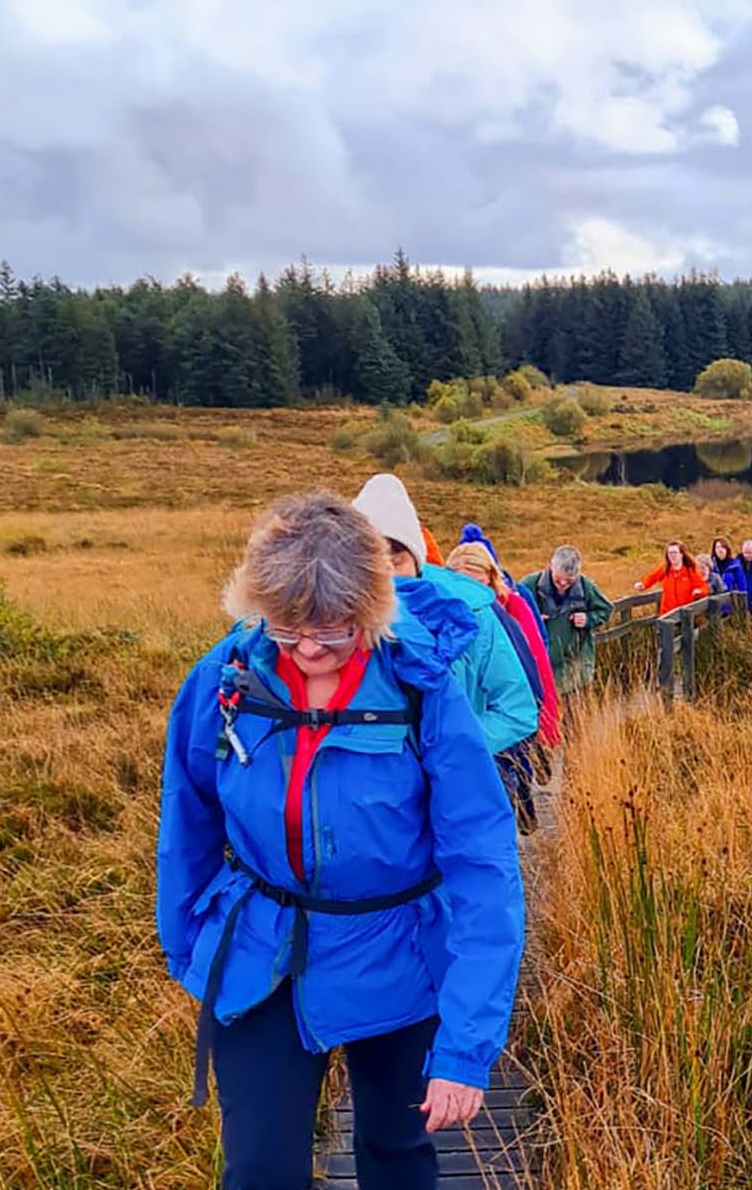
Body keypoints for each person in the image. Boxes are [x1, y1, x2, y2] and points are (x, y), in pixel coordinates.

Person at [157, 492, 523, 1190]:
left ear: (373, 611)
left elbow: (483, 865)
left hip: (403, 953)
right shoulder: (223, 680)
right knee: (260, 1169)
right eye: (288, 628)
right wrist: (190, 952)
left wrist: (466, 1049)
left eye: (333, 631)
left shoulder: (422, 688)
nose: (309, 651)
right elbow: (187, 821)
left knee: (396, 1154)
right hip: (265, 951)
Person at [353, 479, 537, 761]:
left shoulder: (469, 613)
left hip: (445, 789)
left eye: (395, 560)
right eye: (369, 562)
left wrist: (454, 748)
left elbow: (517, 709)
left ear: (416, 561)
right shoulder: (321, 628)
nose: (384, 577)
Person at [445, 542, 554, 830]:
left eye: (474, 580)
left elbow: (535, 664)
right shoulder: (441, 620)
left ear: (490, 578)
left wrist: (547, 718)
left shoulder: (504, 612)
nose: (465, 590)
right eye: (457, 579)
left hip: (496, 737)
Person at [522, 545, 613, 697]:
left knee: (574, 716)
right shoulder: (529, 586)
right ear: (550, 566)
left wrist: (589, 619)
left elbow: (606, 610)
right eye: (558, 579)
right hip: (537, 667)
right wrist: (531, 619)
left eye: (569, 581)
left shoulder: (586, 587)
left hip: (574, 667)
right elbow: (509, 614)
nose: (563, 584)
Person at [637, 540, 709, 612]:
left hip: (685, 612)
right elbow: (652, 577)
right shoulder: (665, 568)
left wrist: (699, 591)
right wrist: (643, 584)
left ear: (681, 554)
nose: (672, 555)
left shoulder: (690, 571)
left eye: (675, 552)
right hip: (667, 612)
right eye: (670, 553)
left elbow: (704, 587)